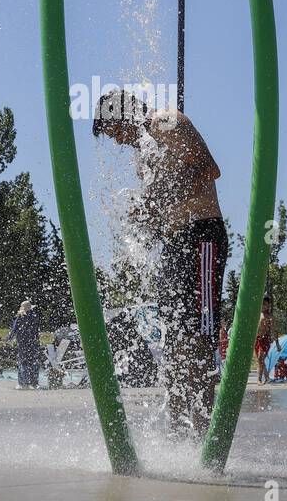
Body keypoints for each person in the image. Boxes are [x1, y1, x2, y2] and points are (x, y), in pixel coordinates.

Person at [94, 89, 227, 435]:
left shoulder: (169, 123)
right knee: (174, 341)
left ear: (124, 113)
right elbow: (164, 204)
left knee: (198, 339)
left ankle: (204, 433)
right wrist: (148, 215)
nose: (120, 142)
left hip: (202, 237)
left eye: (116, 132)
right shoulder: (143, 155)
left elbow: (208, 169)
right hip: (173, 244)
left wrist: (162, 192)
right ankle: (180, 431)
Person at [6, 300, 41, 389]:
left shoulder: (20, 317)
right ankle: (34, 383)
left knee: (23, 362)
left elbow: (14, 329)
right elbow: (36, 331)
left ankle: (23, 383)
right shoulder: (35, 317)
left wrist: (8, 338)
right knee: (33, 362)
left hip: (22, 344)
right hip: (33, 343)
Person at [255, 292, 275, 385]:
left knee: (260, 358)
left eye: (265, 304)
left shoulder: (270, 317)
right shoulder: (257, 315)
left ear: (268, 305)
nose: (263, 306)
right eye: (262, 304)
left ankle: (259, 379)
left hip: (265, 339)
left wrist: (277, 343)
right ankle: (267, 377)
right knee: (260, 360)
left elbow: (274, 330)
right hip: (257, 339)